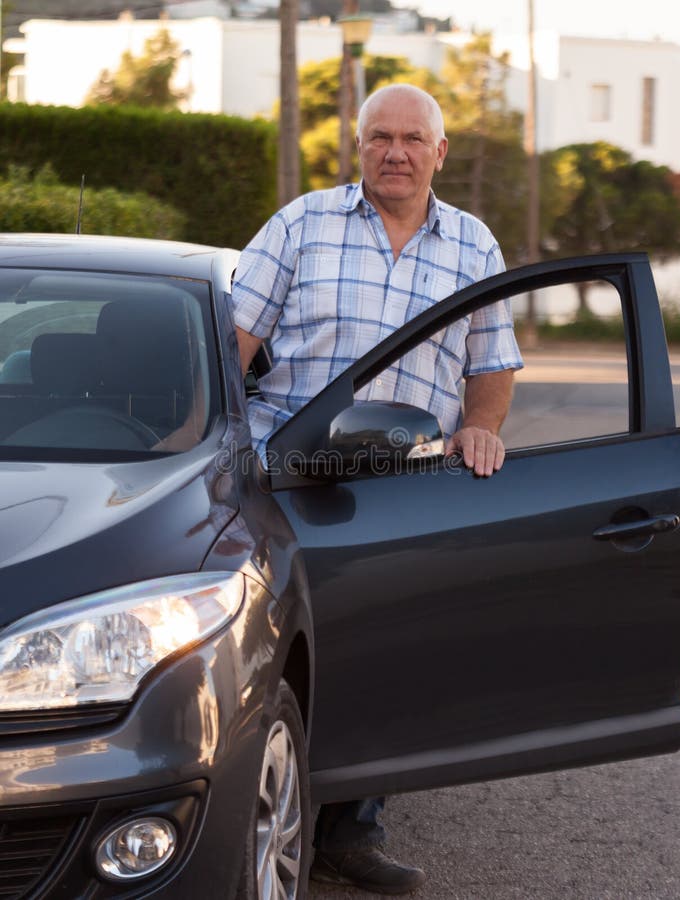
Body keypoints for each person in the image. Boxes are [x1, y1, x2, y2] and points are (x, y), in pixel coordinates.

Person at [230, 83, 523, 895]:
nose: (394, 152)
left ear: (439, 152)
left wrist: (482, 426)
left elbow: (491, 367)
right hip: (280, 473)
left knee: (383, 646)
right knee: (276, 641)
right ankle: (245, 805)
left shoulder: (473, 245)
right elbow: (235, 341)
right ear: (356, 147)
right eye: (379, 138)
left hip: (399, 481)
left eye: (410, 139)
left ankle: (349, 832)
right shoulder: (301, 225)